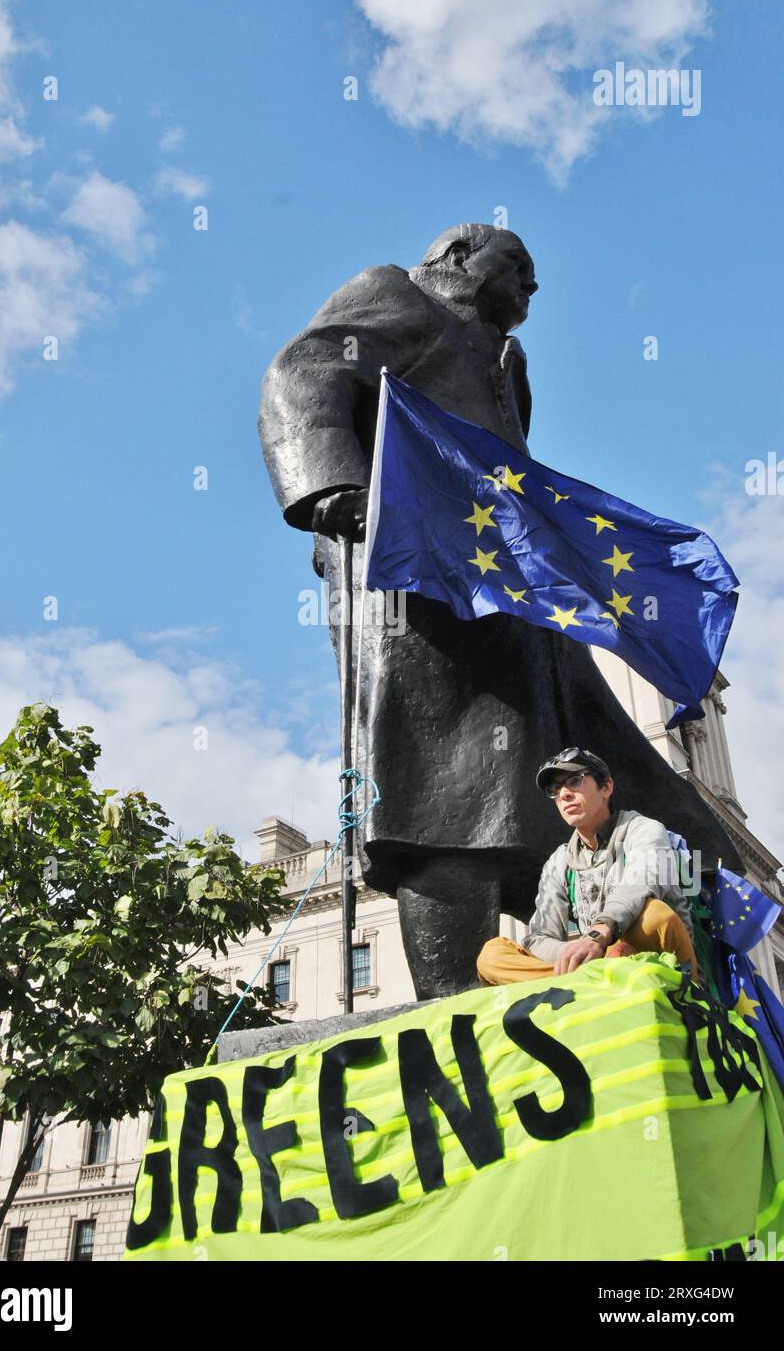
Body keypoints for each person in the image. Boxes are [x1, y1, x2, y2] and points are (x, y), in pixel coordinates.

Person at [258, 223, 740, 1001]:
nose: (531, 288)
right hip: (415, 585)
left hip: (510, 600)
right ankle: (455, 1017)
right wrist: (335, 490)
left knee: (608, 784)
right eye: (517, 267)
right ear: (457, 258)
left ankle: (698, 917)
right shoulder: (398, 294)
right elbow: (300, 374)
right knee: (443, 791)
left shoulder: (507, 362)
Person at [476, 748, 699, 986]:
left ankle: (585, 979)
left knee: (655, 914)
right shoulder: (560, 860)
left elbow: (642, 882)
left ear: (606, 788)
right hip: (597, 962)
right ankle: (592, 977)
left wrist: (597, 937)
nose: (564, 794)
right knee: (492, 955)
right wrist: (573, 953)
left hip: (659, 959)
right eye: (555, 789)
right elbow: (540, 937)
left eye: (574, 781)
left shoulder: (644, 829)